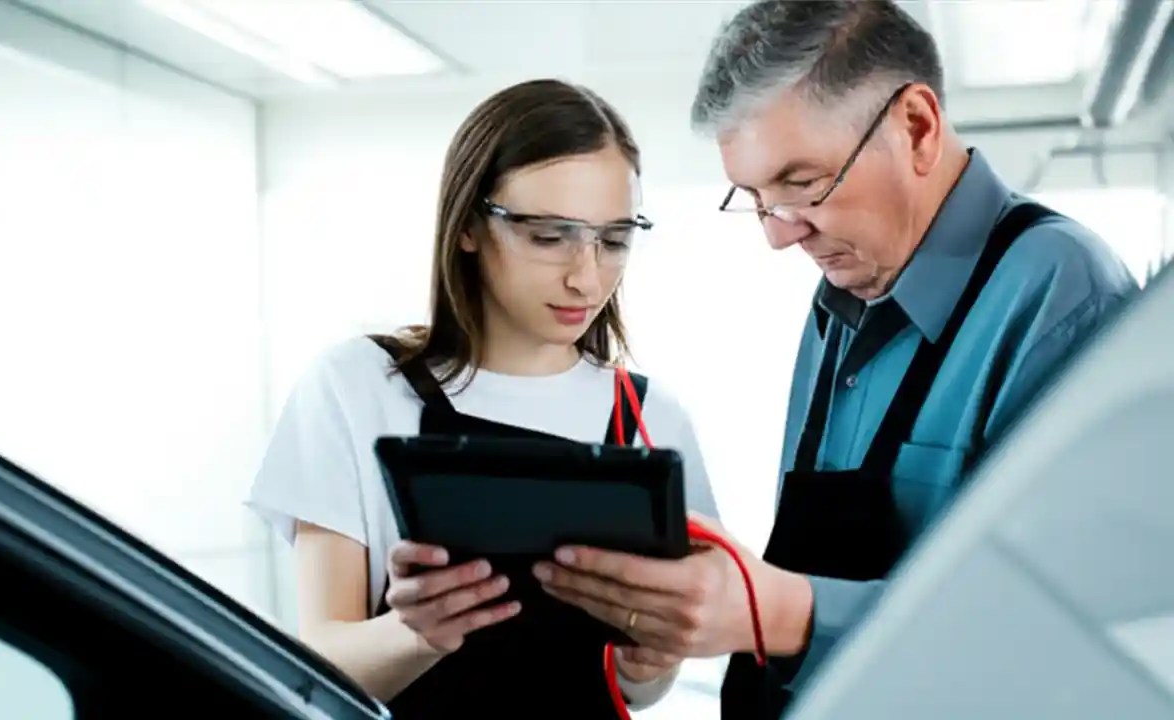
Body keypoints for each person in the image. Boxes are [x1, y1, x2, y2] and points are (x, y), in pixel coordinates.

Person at [531, 2, 1140, 717]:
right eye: (756, 198)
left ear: (916, 127)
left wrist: (781, 615)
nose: (779, 238)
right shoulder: (843, 289)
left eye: (802, 185)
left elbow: (1070, 643)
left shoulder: (1062, 292)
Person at [245, 78, 720, 718]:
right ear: (469, 225)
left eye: (614, 240)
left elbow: (642, 684)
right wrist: (412, 633)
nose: (587, 276)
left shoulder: (651, 417)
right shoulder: (356, 387)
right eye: (549, 237)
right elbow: (317, 670)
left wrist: (654, 663)